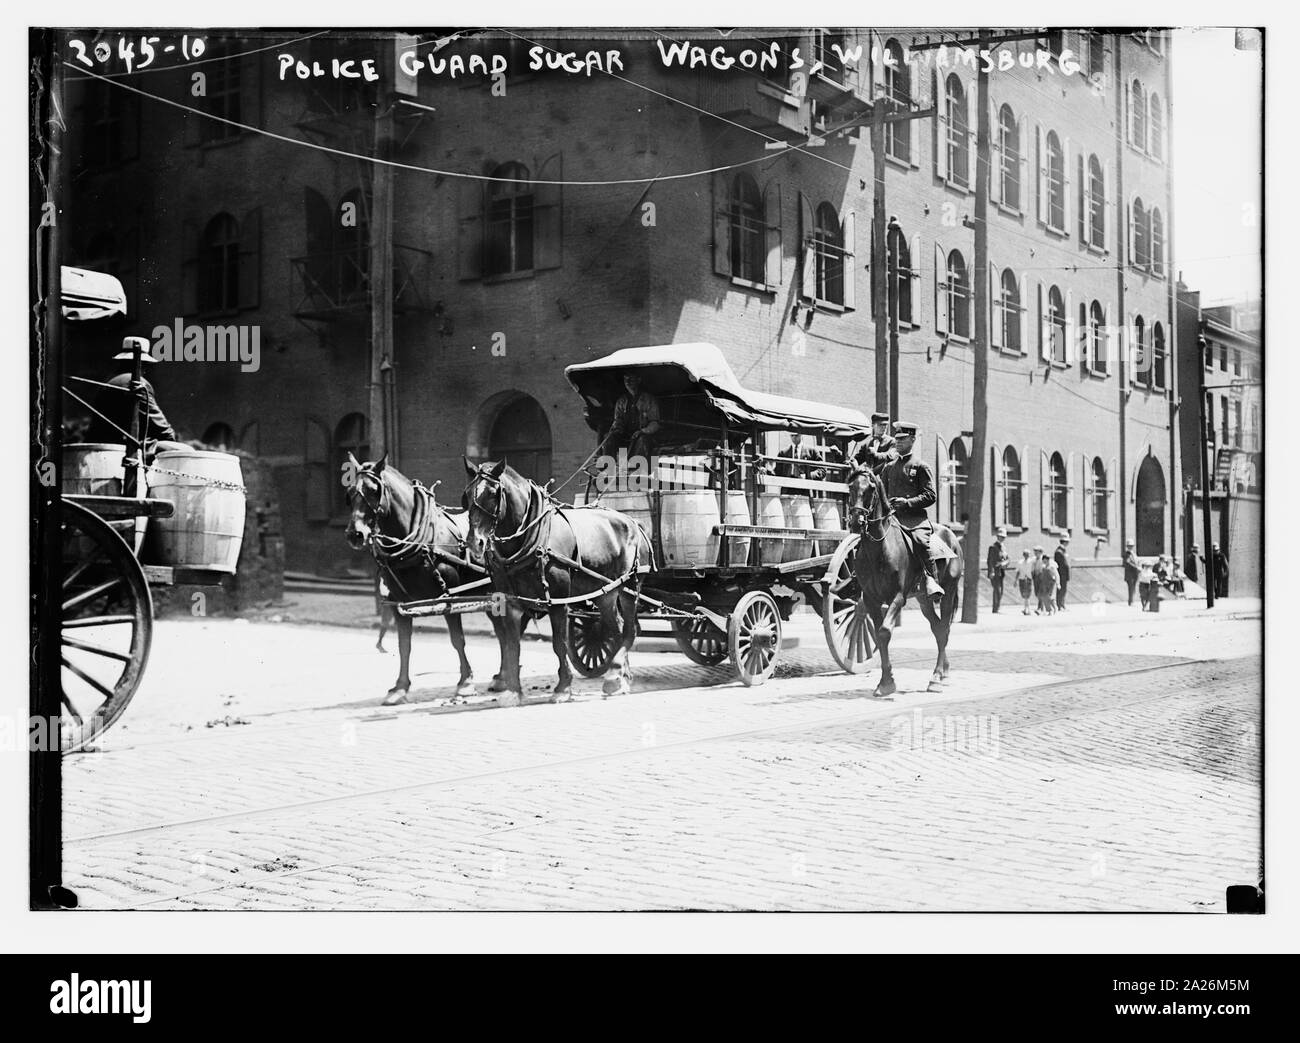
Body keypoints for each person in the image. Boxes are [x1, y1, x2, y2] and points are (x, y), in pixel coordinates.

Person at [879, 421, 945, 601]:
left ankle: (931, 582)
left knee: (921, 542)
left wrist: (907, 503)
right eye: (897, 439)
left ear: (913, 440)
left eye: (903, 439)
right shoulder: (888, 468)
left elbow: (930, 495)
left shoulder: (920, 467)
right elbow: (881, 493)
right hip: (892, 518)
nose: (898, 443)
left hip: (914, 519)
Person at [86, 337, 183, 459]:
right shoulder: (137, 383)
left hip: (100, 448)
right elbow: (161, 428)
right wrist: (173, 443)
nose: (146, 370)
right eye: (146, 365)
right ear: (142, 364)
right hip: (122, 450)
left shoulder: (110, 381)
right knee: (184, 450)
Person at [607, 371, 661, 463]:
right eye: (625, 379)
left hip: (643, 435)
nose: (627, 382)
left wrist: (642, 431)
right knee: (610, 439)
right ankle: (608, 469)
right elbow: (618, 420)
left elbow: (655, 423)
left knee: (642, 440)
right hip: (625, 436)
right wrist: (616, 429)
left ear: (638, 380)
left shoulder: (649, 399)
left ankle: (637, 470)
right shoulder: (621, 401)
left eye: (631, 379)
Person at [987, 527, 1010, 613]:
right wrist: (991, 571)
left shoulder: (1004, 548)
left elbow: (1008, 559)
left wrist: (1005, 564)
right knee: (997, 590)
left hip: (1001, 572)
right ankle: (995, 608)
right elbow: (990, 561)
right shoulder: (993, 547)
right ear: (997, 537)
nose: (1002, 538)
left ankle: (997, 607)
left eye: (1003, 537)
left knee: (1001, 590)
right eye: (1001, 537)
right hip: (995, 572)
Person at [1054, 536, 1071, 611]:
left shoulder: (1062, 551)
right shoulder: (1059, 552)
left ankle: (1062, 604)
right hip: (1062, 573)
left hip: (1063, 573)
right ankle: (1060, 605)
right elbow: (1064, 564)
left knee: (1063, 590)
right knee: (1061, 590)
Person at [1015, 549, 1035, 614]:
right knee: (1023, 594)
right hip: (1022, 579)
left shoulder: (1031, 562)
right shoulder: (1020, 562)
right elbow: (1018, 571)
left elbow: (1033, 571)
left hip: (1029, 578)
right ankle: (1025, 608)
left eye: (1028, 554)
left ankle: (1027, 609)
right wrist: (1015, 580)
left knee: (1027, 594)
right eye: (1025, 554)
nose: (1026, 556)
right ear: (1023, 555)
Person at [1122, 538, 1141, 606]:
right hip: (1130, 574)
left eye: (1132, 546)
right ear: (1127, 546)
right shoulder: (1126, 554)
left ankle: (1132, 600)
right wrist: (1137, 567)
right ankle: (1130, 601)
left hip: (1135, 573)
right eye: (1129, 546)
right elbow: (1128, 563)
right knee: (1131, 588)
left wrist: (1139, 565)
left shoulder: (1133, 554)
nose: (1131, 547)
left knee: (1134, 587)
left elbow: (1136, 561)